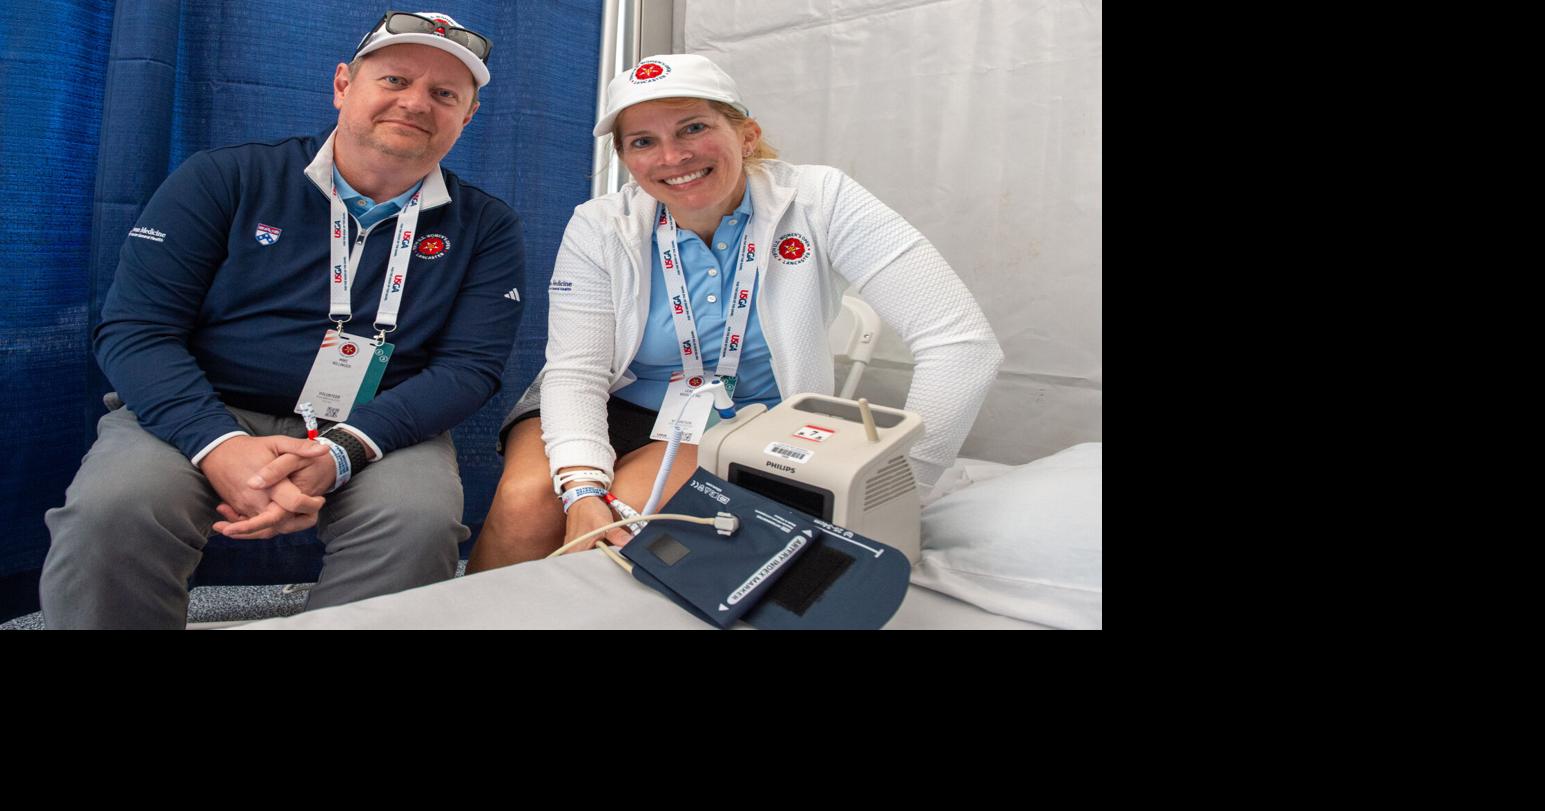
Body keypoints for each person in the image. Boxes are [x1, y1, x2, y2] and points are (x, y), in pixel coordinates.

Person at [40, 11, 525, 628]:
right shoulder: (224, 178)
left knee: (416, 523)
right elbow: (137, 329)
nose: (415, 103)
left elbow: (469, 368)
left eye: (443, 94)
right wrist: (219, 446)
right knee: (115, 508)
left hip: (378, 426)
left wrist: (343, 451)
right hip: (205, 402)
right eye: (396, 79)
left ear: (467, 116)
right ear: (343, 85)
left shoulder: (487, 225)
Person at [467, 53, 1001, 572]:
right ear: (627, 159)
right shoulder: (600, 223)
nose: (672, 157)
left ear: (746, 135)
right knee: (526, 504)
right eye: (643, 141)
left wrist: (900, 486)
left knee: (626, 513)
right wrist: (581, 484)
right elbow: (576, 370)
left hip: (739, 415)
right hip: (603, 397)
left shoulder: (823, 198)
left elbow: (961, 347)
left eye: (693, 128)